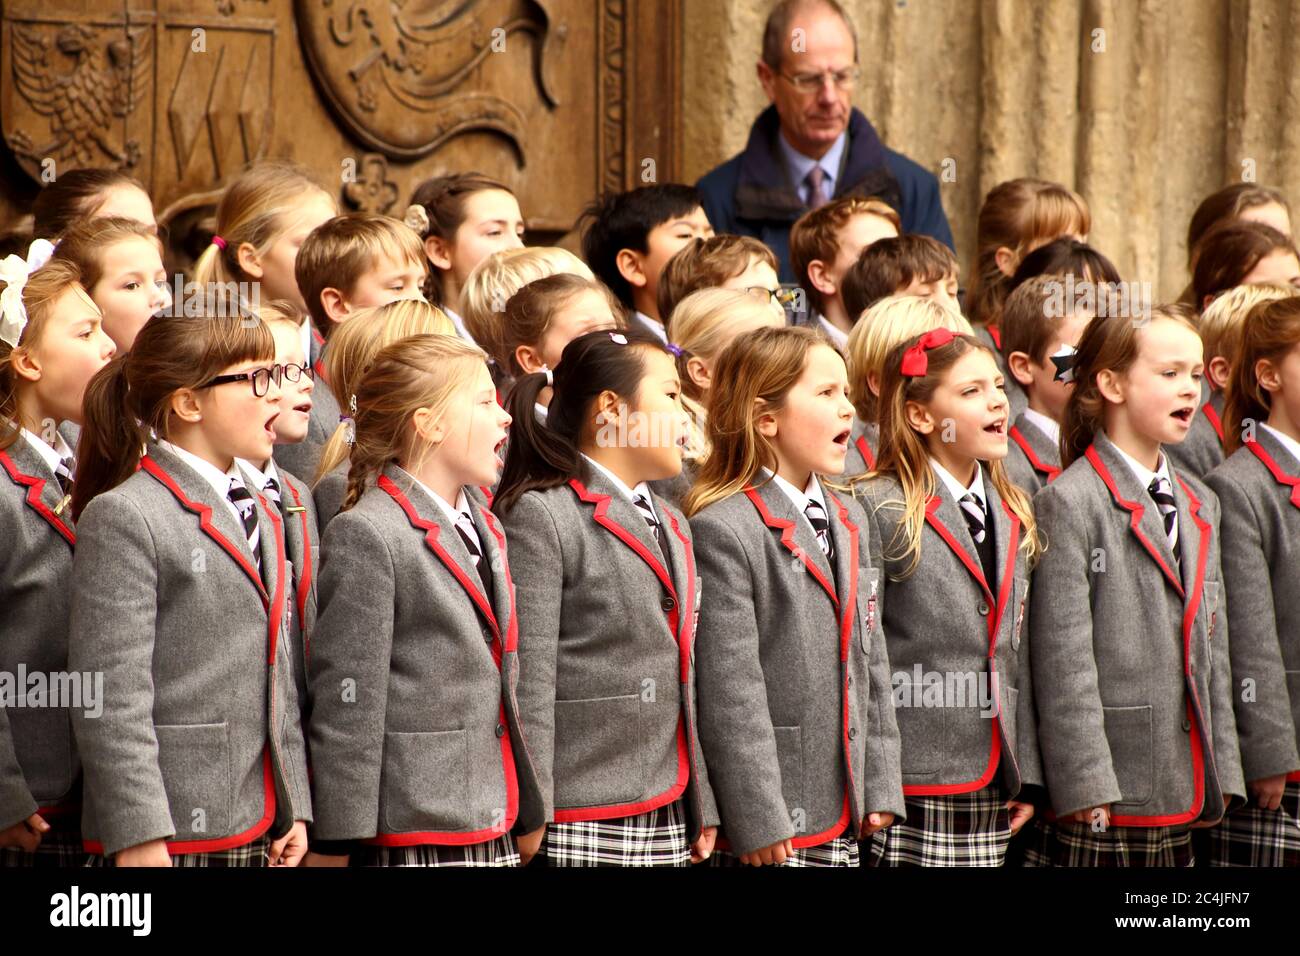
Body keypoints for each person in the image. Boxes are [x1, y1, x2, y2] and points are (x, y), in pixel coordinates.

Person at [696, 0, 952, 281]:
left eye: (842, 76)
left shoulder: (913, 191)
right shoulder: (715, 200)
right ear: (768, 80)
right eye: (808, 79)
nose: (829, 97)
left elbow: (938, 311)